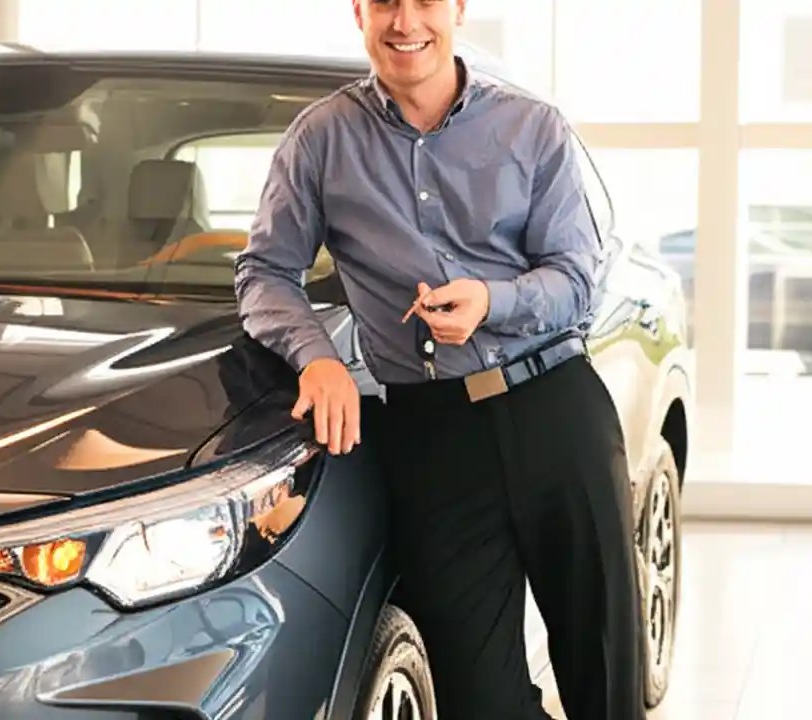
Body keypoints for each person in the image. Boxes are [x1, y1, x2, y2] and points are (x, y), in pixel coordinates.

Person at [232, 0, 646, 718]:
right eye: (385, 2)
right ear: (359, 10)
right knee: (475, 697)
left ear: (457, 9)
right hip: (432, 435)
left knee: (603, 669)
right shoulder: (321, 140)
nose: (405, 22)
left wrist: (492, 302)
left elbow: (577, 279)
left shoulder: (532, 126)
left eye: (425, 1)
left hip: (554, 408)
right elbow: (265, 272)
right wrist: (317, 359)